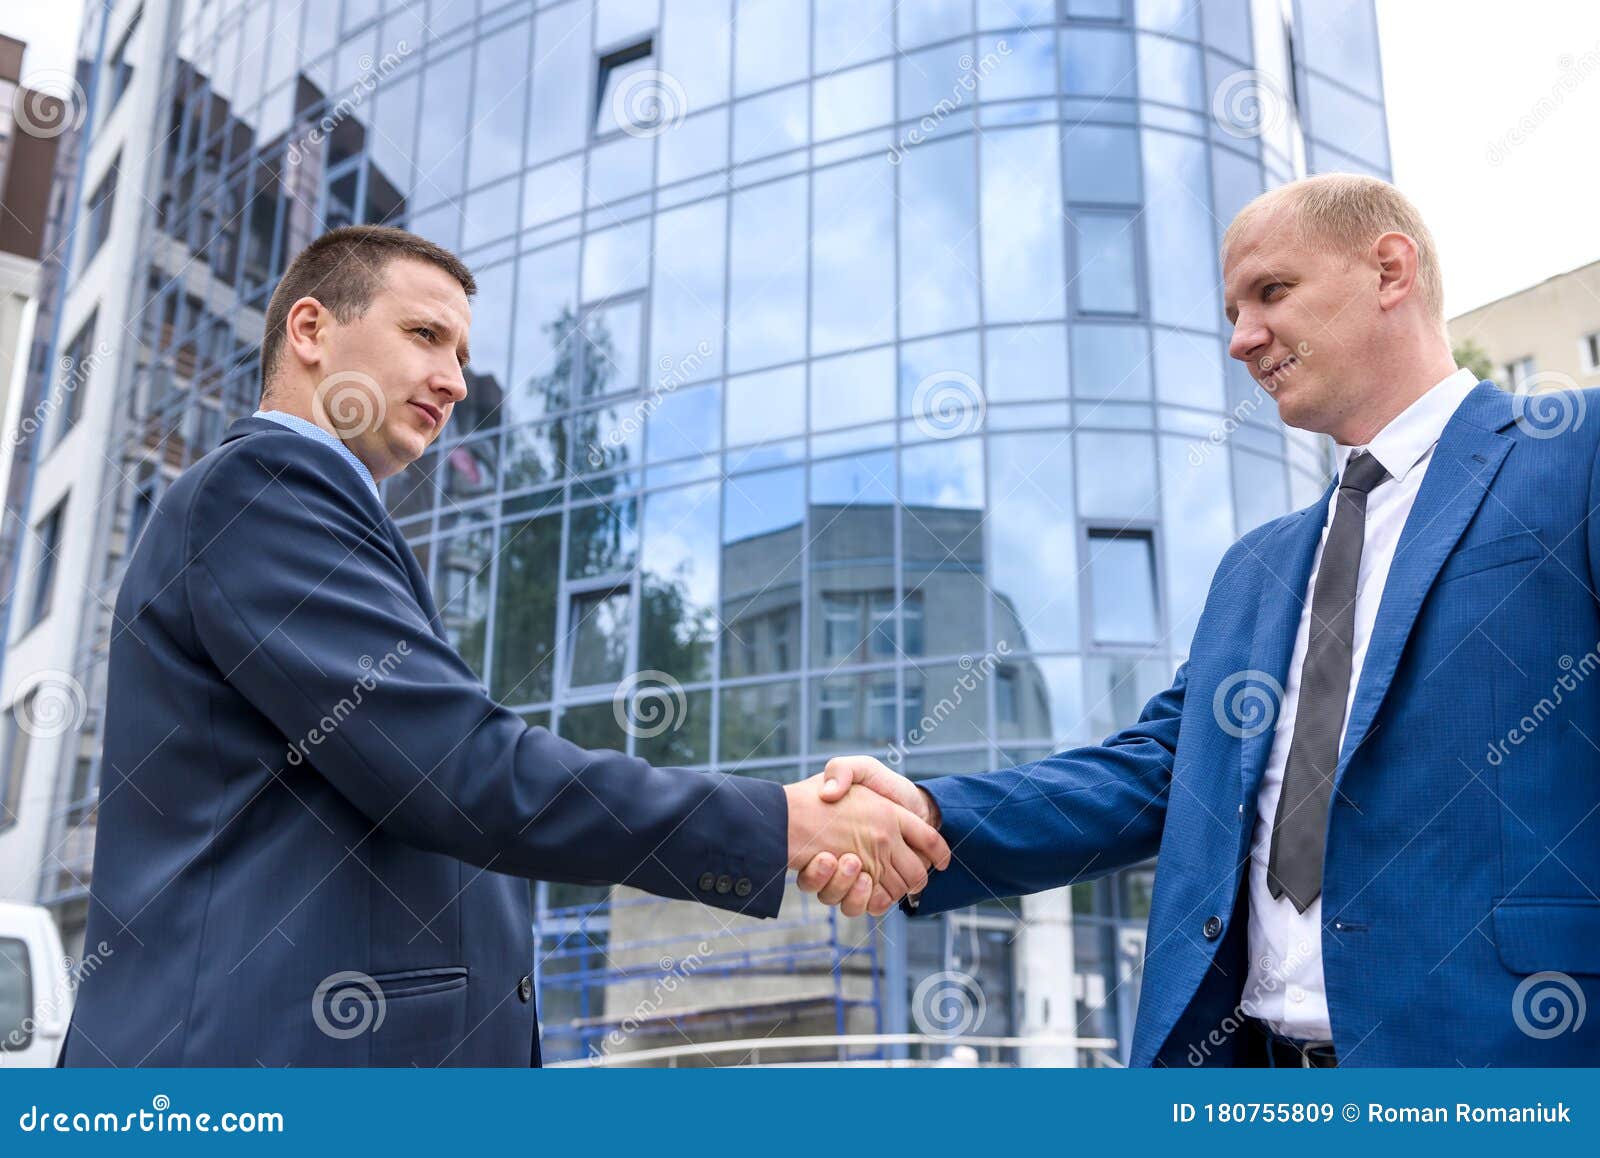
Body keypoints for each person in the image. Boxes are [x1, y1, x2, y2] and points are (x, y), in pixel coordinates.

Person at [60, 226, 947, 1067]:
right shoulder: (261, 491)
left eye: (462, 356)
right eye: (424, 334)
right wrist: (784, 822)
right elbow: (459, 771)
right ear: (310, 329)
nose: (451, 380)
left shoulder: (320, 516)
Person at [798, 173, 1600, 1067]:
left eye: (1271, 293)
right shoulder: (1255, 571)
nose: (1240, 340)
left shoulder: (1576, 455)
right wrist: (925, 816)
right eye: (1231, 310)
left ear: (1389, 270)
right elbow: (1158, 775)